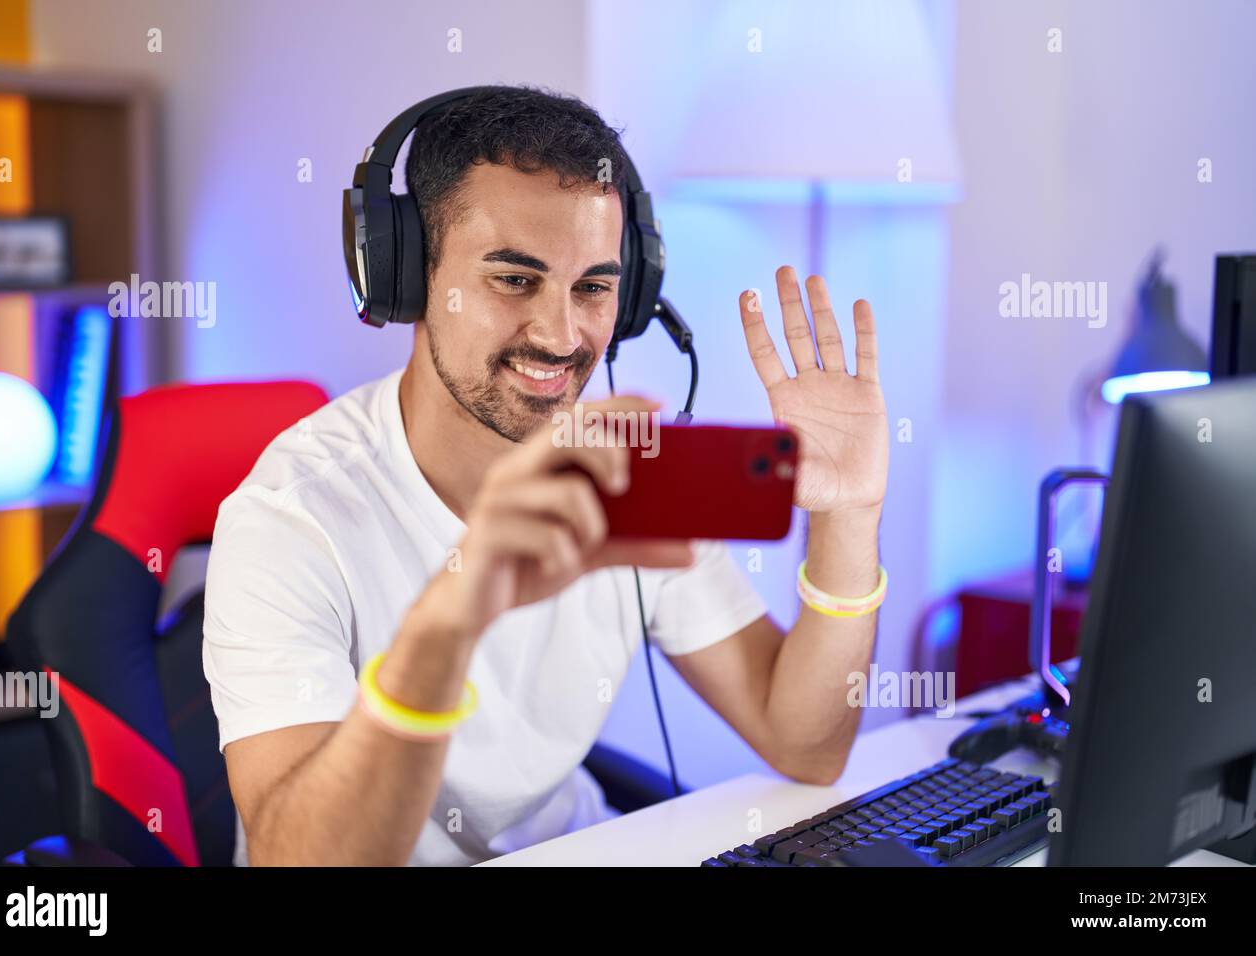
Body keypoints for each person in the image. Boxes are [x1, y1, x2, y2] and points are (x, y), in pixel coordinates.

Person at [202, 85, 889, 866]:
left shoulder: (630, 474)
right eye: (514, 278)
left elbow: (806, 745)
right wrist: (451, 619)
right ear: (402, 273)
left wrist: (850, 515)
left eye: (593, 287)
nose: (562, 336)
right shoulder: (289, 519)